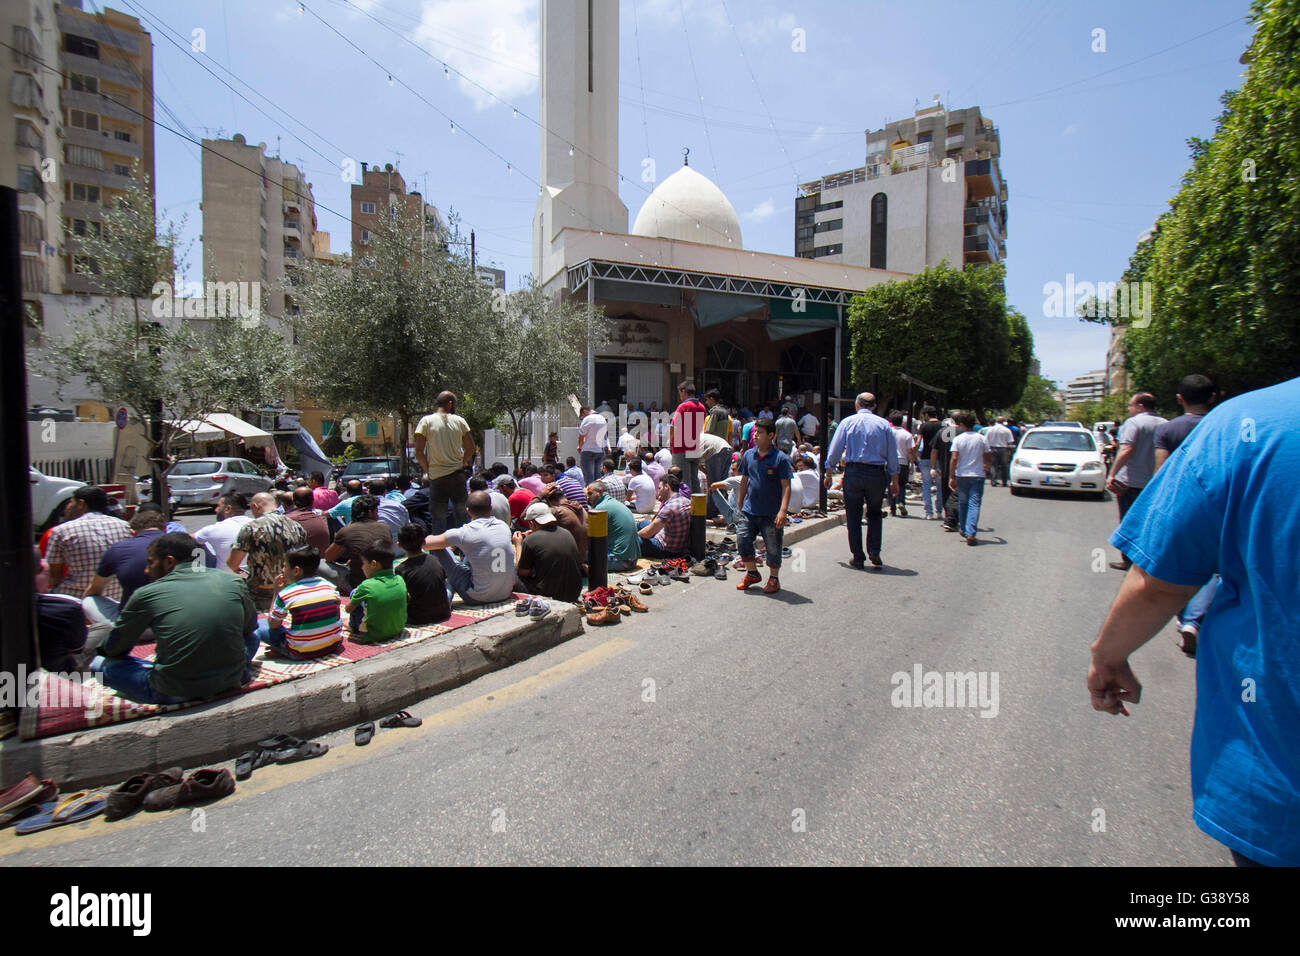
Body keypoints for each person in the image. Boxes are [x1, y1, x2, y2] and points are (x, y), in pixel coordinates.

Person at [1088, 375, 1300, 867]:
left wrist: (1107, 656)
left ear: (1181, 398)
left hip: (1280, 773)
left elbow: (1160, 583)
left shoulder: (1249, 425)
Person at [90, 533, 255, 704]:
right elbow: (249, 629)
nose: (147, 570)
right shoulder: (231, 581)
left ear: (169, 561)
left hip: (174, 691)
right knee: (252, 638)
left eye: (150, 562)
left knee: (99, 664)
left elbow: (114, 648)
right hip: (234, 678)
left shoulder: (146, 594)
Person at [1152, 374, 1218, 656]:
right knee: (1216, 568)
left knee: (1180, 560)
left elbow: (1161, 473)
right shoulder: (1223, 427)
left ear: (1180, 399)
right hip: (1219, 505)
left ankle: (1183, 615)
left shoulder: (1168, 430)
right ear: (1213, 397)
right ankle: (1194, 620)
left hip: (1180, 505)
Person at [823, 392, 899, 569]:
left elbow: (834, 450)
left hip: (854, 473)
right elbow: (892, 455)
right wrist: (895, 479)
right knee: (874, 513)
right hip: (876, 474)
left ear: (857, 405)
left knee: (853, 516)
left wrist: (828, 473)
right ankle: (874, 551)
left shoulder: (847, 422)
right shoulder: (884, 425)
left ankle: (858, 556)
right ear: (873, 406)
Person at [82, 508, 167, 656]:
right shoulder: (184, 546)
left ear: (132, 532)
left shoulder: (119, 548)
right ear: (165, 529)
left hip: (136, 629)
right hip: (175, 624)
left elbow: (95, 589)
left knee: (89, 600)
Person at [1107, 392, 1168, 570]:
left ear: (1140, 406)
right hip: (1155, 483)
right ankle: (1147, 558)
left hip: (1131, 482)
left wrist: (1112, 473)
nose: (1129, 409)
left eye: (1130, 405)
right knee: (1150, 521)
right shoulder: (1165, 423)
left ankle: (1128, 560)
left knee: (1129, 520)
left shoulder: (1133, 423)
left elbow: (1126, 449)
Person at [424, 491, 516, 605]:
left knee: (437, 547)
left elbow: (426, 544)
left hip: (477, 597)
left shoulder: (464, 532)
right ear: (490, 508)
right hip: (505, 592)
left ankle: (446, 596)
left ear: (468, 511)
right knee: (475, 553)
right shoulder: (503, 526)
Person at [733, 419, 792, 594]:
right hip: (750, 510)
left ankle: (774, 579)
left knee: (773, 546)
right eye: (755, 432)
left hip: (771, 513)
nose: (755, 435)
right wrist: (740, 500)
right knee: (742, 539)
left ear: (771, 435)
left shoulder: (780, 458)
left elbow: (786, 486)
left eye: (760, 433)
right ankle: (752, 573)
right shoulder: (749, 455)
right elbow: (744, 479)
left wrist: (783, 511)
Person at [253, 546, 343, 659]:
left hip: (300, 652)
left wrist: (276, 592)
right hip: (333, 645)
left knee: (260, 624)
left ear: (296, 570)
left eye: (285, 566)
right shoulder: (330, 586)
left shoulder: (287, 593)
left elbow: (273, 624)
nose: (283, 570)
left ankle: (284, 650)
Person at [45, 486, 131, 601]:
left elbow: (55, 578)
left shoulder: (61, 531)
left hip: (76, 600)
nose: (67, 508)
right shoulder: (125, 527)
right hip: (116, 598)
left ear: (81, 504)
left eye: (70, 502)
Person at [228, 492, 309, 611]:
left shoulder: (251, 527)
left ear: (255, 506)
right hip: (290, 588)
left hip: (261, 592)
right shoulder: (296, 526)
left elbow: (232, 563)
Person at [414, 390, 477, 534]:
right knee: (463, 517)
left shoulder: (426, 421)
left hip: (438, 477)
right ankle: (465, 552)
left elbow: (419, 452)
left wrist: (428, 470)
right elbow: (471, 448)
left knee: (438, 519)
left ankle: (439, 552)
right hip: (457, 475)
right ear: (450, 403)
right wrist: (461, 462)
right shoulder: (460, 421)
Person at [513, 501, 583, 602]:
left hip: (551, 595)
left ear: (532, 523)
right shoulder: (566, 532)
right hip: (574, 592)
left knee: (514, 578)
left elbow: (522, 572)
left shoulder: (531, 540)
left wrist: (518, 545)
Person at [324, 494, 394, 591]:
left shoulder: (346, 530)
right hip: (386, 579)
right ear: (370, 513)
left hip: (358, 584)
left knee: (321, 563)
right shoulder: (385, 527)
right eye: (376, 511)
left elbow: (328, 557)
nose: (378, 515)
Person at [344, 541, 407, 643]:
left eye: (363, 563)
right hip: (398, 629)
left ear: (373, 564)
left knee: (354, 593)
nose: (362, 567)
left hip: (373, 634)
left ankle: (353, 626)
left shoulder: (366, 585)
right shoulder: (400, 579)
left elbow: (348, 609)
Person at [949, 413, 992, 545]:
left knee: (963, 502)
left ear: (961, 424)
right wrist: (987, 467)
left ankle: (963, 528)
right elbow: (988, 456)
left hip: (962, 475)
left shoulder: (958, 439)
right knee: (974, 503)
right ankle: (971, 532)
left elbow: (954, 458)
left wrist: (951, 476)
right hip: (978, 475)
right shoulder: (982, 439)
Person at [395, 523, 451, 626]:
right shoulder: (434, 560)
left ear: (399, 545)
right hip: (444, 613)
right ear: (424, 542)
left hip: (418, 618)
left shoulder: (401, 569)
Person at [586, 481, 642, 572]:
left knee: (579, 555)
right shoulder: (614, 502)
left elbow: (590, 537)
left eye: (590, 493)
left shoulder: (600, 509)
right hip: (632, 558)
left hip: (619, 561)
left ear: (600, 492)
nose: (587, 497)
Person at [636, 477, 692, 559]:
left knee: (633, 540)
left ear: (667, 487)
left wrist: (632, 537)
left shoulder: (669, 507)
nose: (658, 492)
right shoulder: (687, 501)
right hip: (676, 543)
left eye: (659, 488)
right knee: (643, 523)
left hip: (666, 549)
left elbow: (648, 533)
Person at [669, 381, 706, 494]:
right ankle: (697, 508)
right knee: (694, 479)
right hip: (695, 446)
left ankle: (686, 507)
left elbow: (673, 426)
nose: (680, 396)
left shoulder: (683, 406)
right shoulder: (702, 407)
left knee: (683, 480)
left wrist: (670, 441)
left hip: (681, 448)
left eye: (680, 393)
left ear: (684, 391)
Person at [284, 485, 331, 555]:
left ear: (294, 502)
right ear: (312, 500)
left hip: (303, 562)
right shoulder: (321, 515)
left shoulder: (287, 519)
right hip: (323, 558)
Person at [915, 407, 943, 519]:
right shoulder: (944, 426)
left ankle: (928, 512)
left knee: (926, 485)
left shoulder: (924, 426)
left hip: (926, 457)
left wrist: (913, 454)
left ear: (926, 415)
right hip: (940, 459)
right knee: (940, 486)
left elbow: (918, 442)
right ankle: (939, 510)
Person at [887, 411, 914, 517]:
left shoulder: (888, 432)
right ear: (902, 421)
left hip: (889, 462)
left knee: (890, 484)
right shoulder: (907, 434)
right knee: (901, 484)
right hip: (903, 462)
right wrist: (912, 463)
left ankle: (892, 508)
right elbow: (910, 451)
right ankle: (901, 501)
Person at [372, 477, 411, 541]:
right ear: (385, 492)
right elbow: (408, 526)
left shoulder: (366, 508)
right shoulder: (399, 505)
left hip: (377, 546)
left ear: (369, 492)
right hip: (399, 545)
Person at [578, 405, 609, 484]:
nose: (582, 417)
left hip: (588, 450)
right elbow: (605, 435)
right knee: (598, 475)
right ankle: (598, 493)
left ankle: (589, 494)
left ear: (584, 411)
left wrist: (580, 447)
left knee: (588, 476)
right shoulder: (602, 419)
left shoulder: (587, 419)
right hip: (600, 450)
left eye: (582, 415)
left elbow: (581, 436)